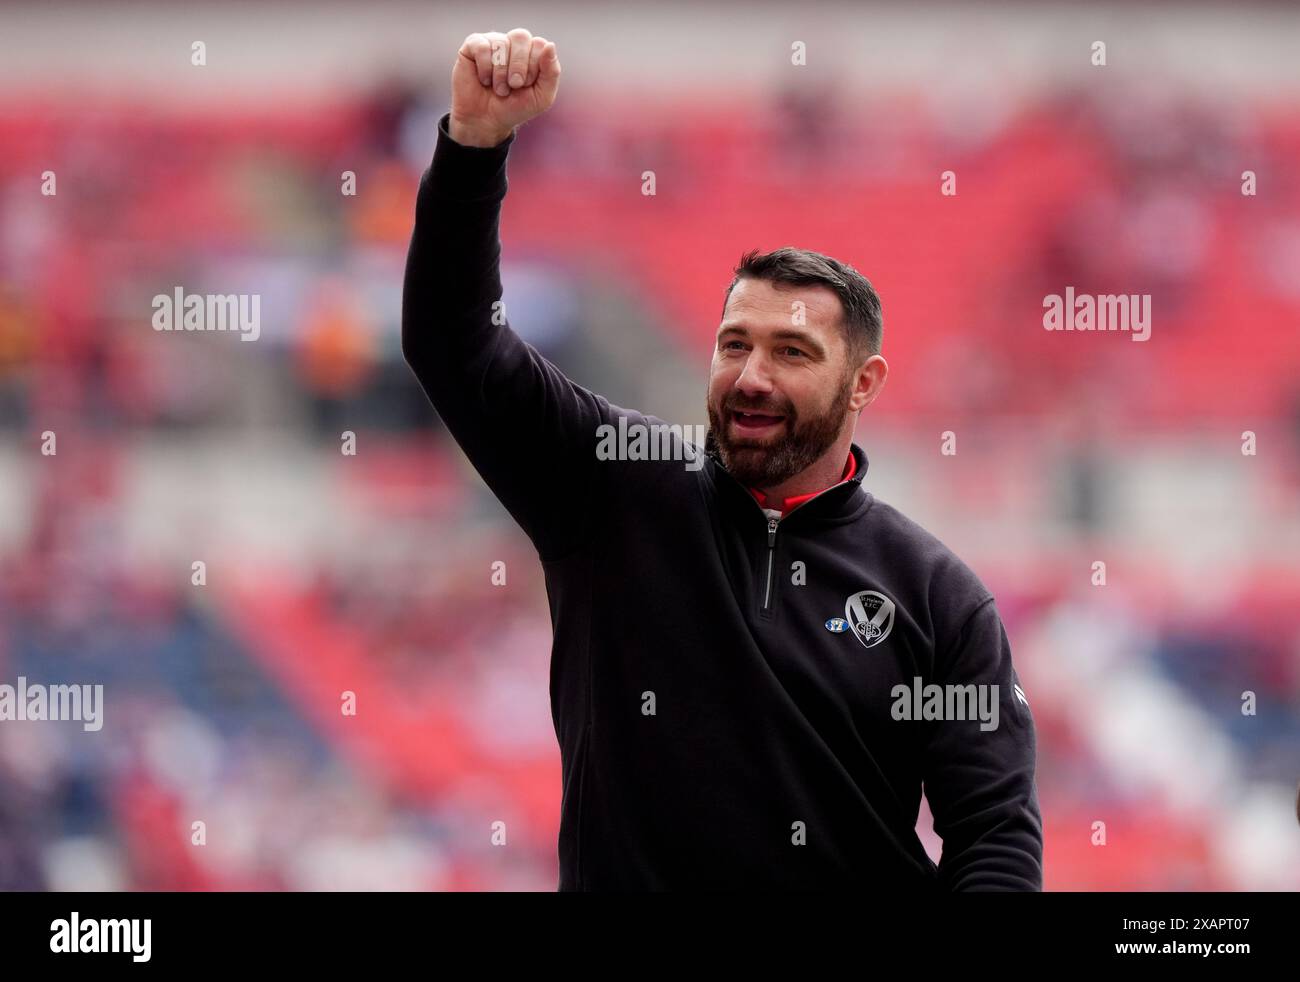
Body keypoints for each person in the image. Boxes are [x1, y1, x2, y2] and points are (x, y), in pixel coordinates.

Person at [401, 27, 1043, 890]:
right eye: (733, 344)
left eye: (792, 353)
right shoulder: (614, 487)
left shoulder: (939, 598)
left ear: (864, 384)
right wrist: (476, 147)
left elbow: (995, 838)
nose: (751, 377)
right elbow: (453, 344)